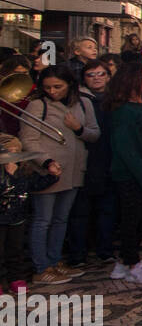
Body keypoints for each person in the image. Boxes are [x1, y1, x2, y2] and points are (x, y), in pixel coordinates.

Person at [22, 64, 99, 287]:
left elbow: (94, 134)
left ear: (70, 84)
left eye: (58, 86)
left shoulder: (84, 102)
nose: (53, 91)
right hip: (49, 171)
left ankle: (54, 261)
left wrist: (78, 129)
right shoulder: (38, 105)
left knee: (61, 219)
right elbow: (29, 139)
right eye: (48, 87)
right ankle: (41, 267)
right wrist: (46, 161)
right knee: (42, 219)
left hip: (74, 170)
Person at [107, 63, 142, 285]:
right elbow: (127, 150)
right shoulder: (123, 112)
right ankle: (132, 264)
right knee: (132, 220)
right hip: (130, 176)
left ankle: (124, 261)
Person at [65, 60, 117, 271]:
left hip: (109, 160)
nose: (96, 78)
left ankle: (105, 250)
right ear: (83, 78)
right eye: (91, 74)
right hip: (85, 159)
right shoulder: (77, 100)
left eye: (100, 74)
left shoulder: (115, 100)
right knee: (80, 212)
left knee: (108, 210)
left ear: (108, 76)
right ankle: (78, 253)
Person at [0, 134, 60, 295]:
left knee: (16, 250)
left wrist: (52, 176)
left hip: (17, 218)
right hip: (2, 218)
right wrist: (10, 176)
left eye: (16, 154)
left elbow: (33, 184)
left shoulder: (23, 171)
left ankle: (16, 278)